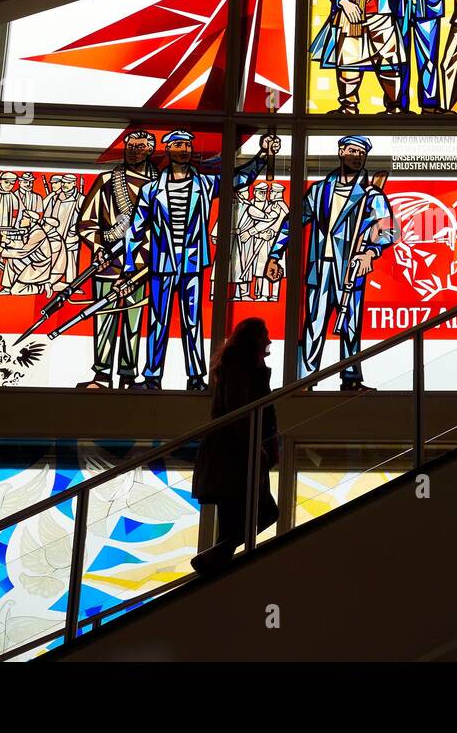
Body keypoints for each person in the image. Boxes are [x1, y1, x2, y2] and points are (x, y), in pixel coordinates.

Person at [126, 130, 280, 391]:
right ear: (168, 150)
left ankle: (196, 376)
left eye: (187, 145)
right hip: (161, 264)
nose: (183, 149)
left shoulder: (204, 184)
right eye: (177, 145)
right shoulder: (151, 190)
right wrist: (130, 267)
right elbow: (136, 228)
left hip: (191, 262)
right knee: (157, 320)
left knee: (193, 321)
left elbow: (239, 178)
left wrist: (263, 155)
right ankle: (152, 376)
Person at [266, 135, 394, 390]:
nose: (357, 157)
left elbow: (388, 230)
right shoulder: (318, 190)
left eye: (361, 153)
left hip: (351, 268)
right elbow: (292, 223)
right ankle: (304, 380)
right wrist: (274, 254)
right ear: (340, 151)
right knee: (313, 323)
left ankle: (351, 380)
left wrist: (370, 252)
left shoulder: (372, 195)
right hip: (320, 266)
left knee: (350, 324)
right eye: (352, 151)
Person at [190, 317, 279, 577]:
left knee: (238, 519)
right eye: (265, 336)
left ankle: (214, 567)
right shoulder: (241, 366)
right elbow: (240, 410)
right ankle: (212, 563)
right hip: (235, 458)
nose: (270, 341)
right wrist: (256, 445)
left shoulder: (240, 365)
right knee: (261, 513)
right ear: (254, 339)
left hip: (234, 457)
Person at [75, 129, 155, 389]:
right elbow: (86, 222)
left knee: (133, 321)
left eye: (141, 147)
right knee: (104, 318)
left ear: (150, 150)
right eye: (131, 146)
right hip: (109, 262)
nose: (135, 151)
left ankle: (128, 374)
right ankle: (101, 374)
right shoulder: (107, 181)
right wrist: (98, 246)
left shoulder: (160, 184)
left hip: (143, 265)